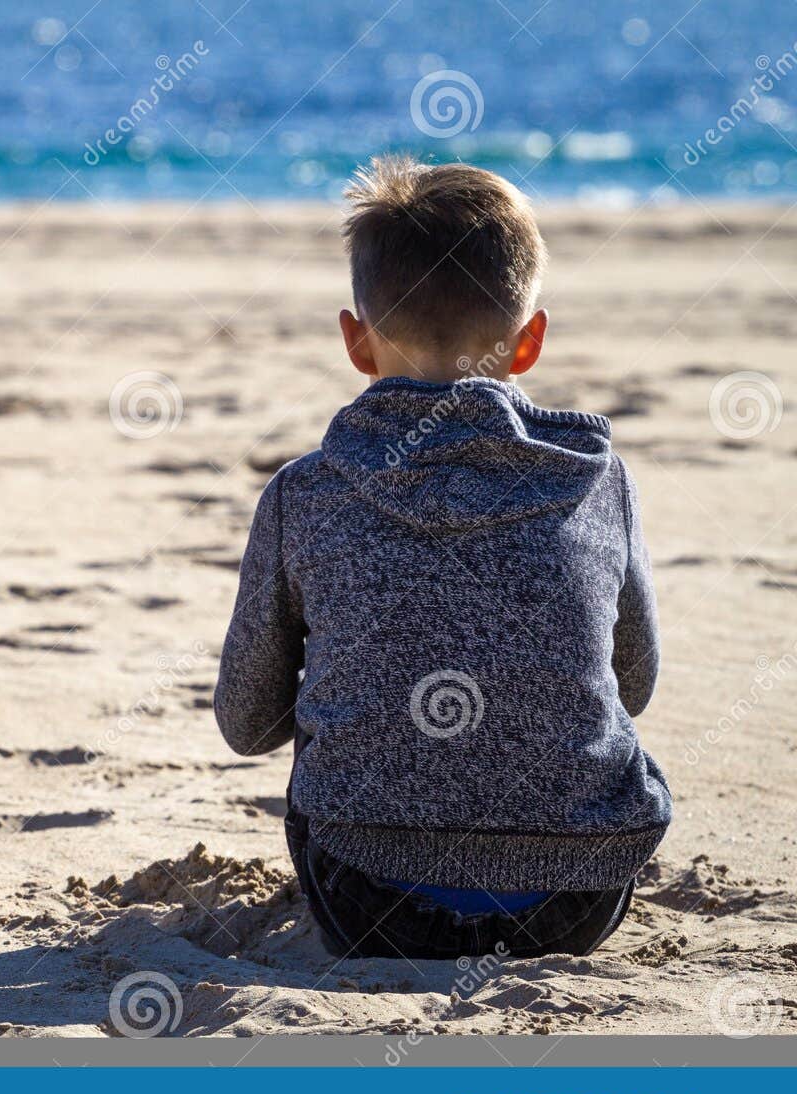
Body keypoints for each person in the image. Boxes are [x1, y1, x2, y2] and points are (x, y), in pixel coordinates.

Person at [213, 155, 669, 960]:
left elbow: (249, 725)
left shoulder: (303, 493)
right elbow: (632, 685)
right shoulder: (601, 484)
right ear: (529, 341)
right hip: (576, 900)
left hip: (371, 898)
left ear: (356, 342)